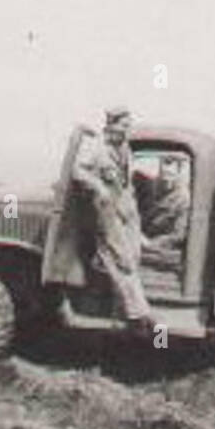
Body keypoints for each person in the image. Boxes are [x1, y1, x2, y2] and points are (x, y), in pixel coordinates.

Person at [70, 107, 154, 333]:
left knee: (133, 256)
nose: (127, 130)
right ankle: (138, 312)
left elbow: (127, 179)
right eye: (124, 125)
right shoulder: (96, 147)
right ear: (111, 125)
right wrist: (97, 186)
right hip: (107, 210)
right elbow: (77, 171)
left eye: (129, 126)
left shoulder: (124, 148)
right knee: (122, 259)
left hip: (127, 209)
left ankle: (128, 306)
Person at [141, 153, 191, 269]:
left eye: (170, 176)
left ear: (179, 174)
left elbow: (178, 235)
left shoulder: (183, 199)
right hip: (140, 244)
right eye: (163, 176)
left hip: (162, 253)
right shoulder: (150, 188)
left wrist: (150, 243)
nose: (166, 182)